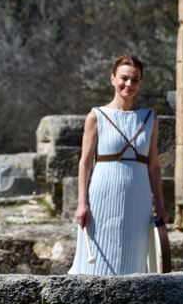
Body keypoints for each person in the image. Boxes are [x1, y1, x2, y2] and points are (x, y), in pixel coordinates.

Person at [68, 55, 166, 275]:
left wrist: (160, 203)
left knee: (133, 258)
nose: (129, 84)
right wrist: (82, 203)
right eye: (124, 78)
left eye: (135, 79)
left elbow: (153, 165)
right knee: (95, 263)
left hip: (138, 196)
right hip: (103, 194)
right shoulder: (96, 116)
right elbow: (85, 163)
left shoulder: (149, 118)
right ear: (113, 78)